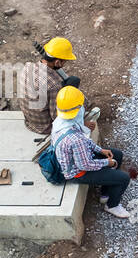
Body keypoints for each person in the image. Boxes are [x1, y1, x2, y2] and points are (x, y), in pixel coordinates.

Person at [52, 87, 131, 219]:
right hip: (77, 173)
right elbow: (85, 165)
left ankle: (105, 194)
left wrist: (100, 150)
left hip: (79, 159)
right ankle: (112, 205)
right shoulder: (75, 139)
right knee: (123, 178)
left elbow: (84, 142)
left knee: (117, 154)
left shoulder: (61, 122)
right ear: (77, 109)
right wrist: (107, 162)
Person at [16, 37, 81, 136]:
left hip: (29, 120)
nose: (64, 64)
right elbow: (58, 117)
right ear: (57, 62)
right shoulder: (54, 86)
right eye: (64, 61)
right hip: (45, 127)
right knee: (72, 91)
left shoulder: (28, 66)